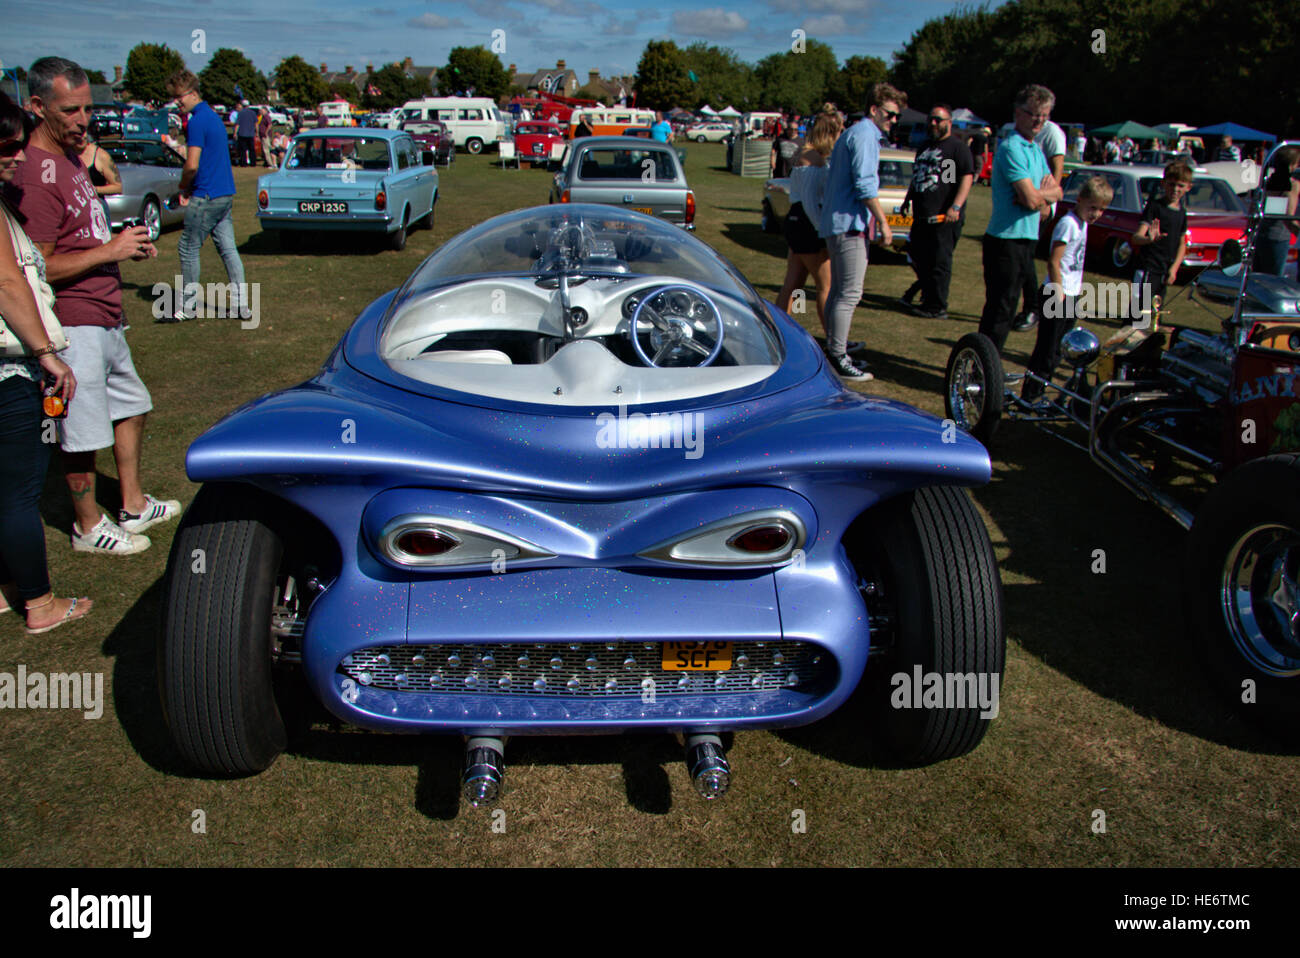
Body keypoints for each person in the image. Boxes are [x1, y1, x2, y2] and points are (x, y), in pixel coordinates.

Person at [7, 57, 179, 556]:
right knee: (79, 430)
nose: (84, 120)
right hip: (71, 321)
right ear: (37, 106)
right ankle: (87, 526)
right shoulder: (36, 175)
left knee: (133, 406)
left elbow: (81, 234)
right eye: (71, 110)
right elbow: (32, 269)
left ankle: (131, 503)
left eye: (88, 108)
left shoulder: (69, 158)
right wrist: (110, 252)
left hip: (105, 315)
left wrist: (122, 243)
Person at [0, 92, 93, 631]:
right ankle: (40, 603)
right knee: (18, 494)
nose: (17, 156)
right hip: (10, 369)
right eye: (8, 146)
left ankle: (8, 587)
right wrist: (47, 354)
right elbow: (9, 282)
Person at [818, 82, 907, 381]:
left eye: (897, 117)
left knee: (840, 291)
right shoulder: (865, 135)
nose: (893, 121)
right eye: (890, 114)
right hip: (848, 225)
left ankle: (835, 348)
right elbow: (865, 185)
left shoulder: (855, 134)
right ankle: (838, 355)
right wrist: (883, 221)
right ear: (874, 109)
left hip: (838, 223)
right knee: (850, 293)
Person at [977, 84, 1062, 353]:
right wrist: (1039, 196)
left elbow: (1055, 193)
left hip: (1026, 239)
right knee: (1000, 310)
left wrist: (1041, 195)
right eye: (1034, 114)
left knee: (1010, 307)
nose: (1039, 121)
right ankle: (984, 367)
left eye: (1044, 116)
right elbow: (1031, 199)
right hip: (1005, 241)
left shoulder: (1035, 149)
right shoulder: (1012, 147)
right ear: (1018, 113)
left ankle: (988, 365)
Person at [166, 70, 248, 323]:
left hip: (206, 194)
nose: (177, 104)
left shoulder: (197, 121)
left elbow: (192, 164)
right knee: (228, 250)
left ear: (192, 93)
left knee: (188, 248)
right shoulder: (212, 117)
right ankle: (241, 305)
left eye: (179, 99)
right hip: (224, 193)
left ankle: (188, 307)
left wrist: (183, 187)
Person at [1022, 175, 1113, 402]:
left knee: (1059, 351)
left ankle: (1041, 392)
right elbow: (1054, 260)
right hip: (1056, 293)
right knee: (1046, 349)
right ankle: (1030, 395)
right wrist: (1058, 290)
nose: (1096, 214)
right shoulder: (1068, 223)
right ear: (1080, 200)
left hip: (1070, 293)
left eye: (1101, 210)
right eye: (1093, 207)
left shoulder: (1083, 225)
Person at [775, 110, 844, 341]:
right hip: (807, 223)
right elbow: (809, 202)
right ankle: (834, 339)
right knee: (826, 285)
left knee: (794, 282)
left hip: (801, 222)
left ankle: (778, 330)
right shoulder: (811, 158)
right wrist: (822, 231)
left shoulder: (812, 156)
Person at [899, 103, 973, 319]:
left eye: (938, 120)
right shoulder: (924, 147)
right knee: (917, 257)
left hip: (943, 218)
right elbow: (917, 177)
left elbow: (962, 179)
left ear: (949, 122)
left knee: (939, 261)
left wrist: (955, 206)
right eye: (930, 119)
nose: (932, 123)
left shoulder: (955, 149)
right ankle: (924, 294)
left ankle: (936, 305)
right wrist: (907, 201)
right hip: (922, 215)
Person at [1129, 159, 1193, 317]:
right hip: (1148, 267)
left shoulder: (1182, 212)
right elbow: (1136, 237)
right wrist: (1149, 239)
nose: (1175, 189)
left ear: (1188, 187)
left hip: (1165, 269)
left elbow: (1181, 244)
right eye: (1171, 184)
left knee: (1155, 310)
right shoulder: (1154, 207)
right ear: (1164, 184)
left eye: (1180, 186)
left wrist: (1174, 269)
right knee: (1138, 313)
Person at [1253, 147, 1300, 276]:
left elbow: (1265, 210)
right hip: (1278, 238)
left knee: (1259, 278)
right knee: (1274, 280)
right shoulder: (1292, 185)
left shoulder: (1268, 182)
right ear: (1292, 165)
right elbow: (1287, 217)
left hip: (1261, 235)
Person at [234, 100, 257, 166]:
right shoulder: (253, 113)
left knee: (243, 150)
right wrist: (257, 132)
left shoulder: (240, 113)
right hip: (251, 134)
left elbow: (237, 124)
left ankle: (244, 163)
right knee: (252, 149)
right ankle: (253, 163)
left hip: (242, 133)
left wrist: (235, 133)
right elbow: (256, 123)